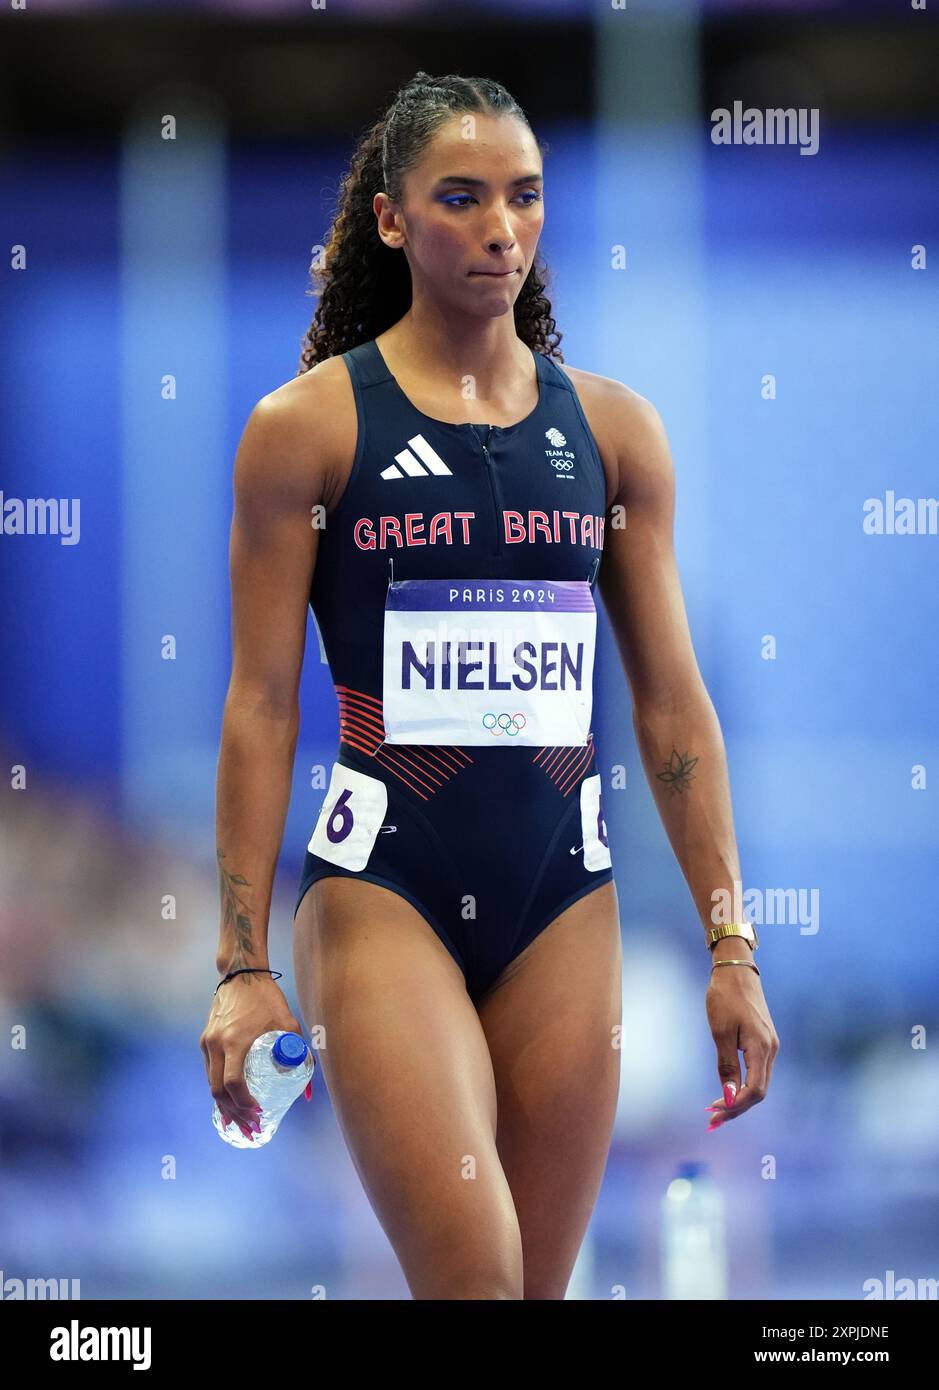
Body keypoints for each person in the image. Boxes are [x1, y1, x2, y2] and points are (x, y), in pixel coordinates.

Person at [200, 71, 779, 1301]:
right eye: (459, 198)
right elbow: (259, 703)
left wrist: (735, 943)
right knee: (473, 1275)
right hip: (385, 888)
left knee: (533, 1295)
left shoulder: (614, 435)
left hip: (561, 898)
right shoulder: (305, 431)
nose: (500, 227)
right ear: (392, 219)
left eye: (524, 197)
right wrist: (240, 963)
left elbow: (671, 705)